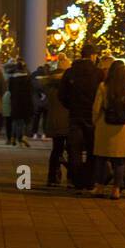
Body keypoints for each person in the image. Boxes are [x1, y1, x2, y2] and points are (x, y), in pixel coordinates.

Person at [59, 45, 104, 190]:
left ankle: (76, 180)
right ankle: (89, 179)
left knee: (74, 149)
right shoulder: (98, 74)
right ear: (92, 56)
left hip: (75, 114)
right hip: (92, 116)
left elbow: (62, 95)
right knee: (92, 149)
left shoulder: (70, 73)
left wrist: (71, 105)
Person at [91, 60, 125, 199]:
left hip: (104, 126)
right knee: (120, 161)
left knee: (101, 158)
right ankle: (116, 189)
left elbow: (96, 107)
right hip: (122, 128)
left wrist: (94, 122)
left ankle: (99, 187)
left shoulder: (103, 86)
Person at [40, 57, 72, 187]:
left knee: (56, 150)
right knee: (70, 150)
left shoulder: (50, 86)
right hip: (68, 121)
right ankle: (70, 176)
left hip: (53, 121)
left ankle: (52, 176)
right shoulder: (68, 86)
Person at [7, 59, 35, 148]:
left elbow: (10, 91)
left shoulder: (12, 79)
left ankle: (17, 139)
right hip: (26, 102)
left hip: (16, 102)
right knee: (28, 121)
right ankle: (24, 136)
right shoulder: (28, 78)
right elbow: (31, 90)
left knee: (17, 121)